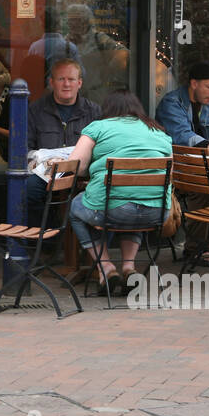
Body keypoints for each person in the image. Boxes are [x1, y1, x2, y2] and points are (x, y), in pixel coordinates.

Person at [65, 90, 172, 293]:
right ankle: (129, 268)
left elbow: (76, 167)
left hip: (112, 210)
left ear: (108, 109)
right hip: (156, 212)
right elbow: (169, 174)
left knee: (76, 208)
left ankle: (106, 268)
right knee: (137, 200)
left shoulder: (97, 127)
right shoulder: (159, 131)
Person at [25, 58, 102, 224]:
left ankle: (87, 243)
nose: (66, 84)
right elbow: (26, 149)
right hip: (47, 170)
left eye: (71, 79)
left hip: (83, 171)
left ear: (79, 83)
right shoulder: (35, 110)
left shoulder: (94, 111)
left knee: (109, 191)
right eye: (61, 79)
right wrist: (40, 161)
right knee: (29, 189)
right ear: (51, 82)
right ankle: (48, 237)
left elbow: (103, 148)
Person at [156, 60, 209, 157]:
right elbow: (183, 136)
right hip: (177, 165)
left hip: (204, 164)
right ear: (194, 84)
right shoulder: (171, 102)